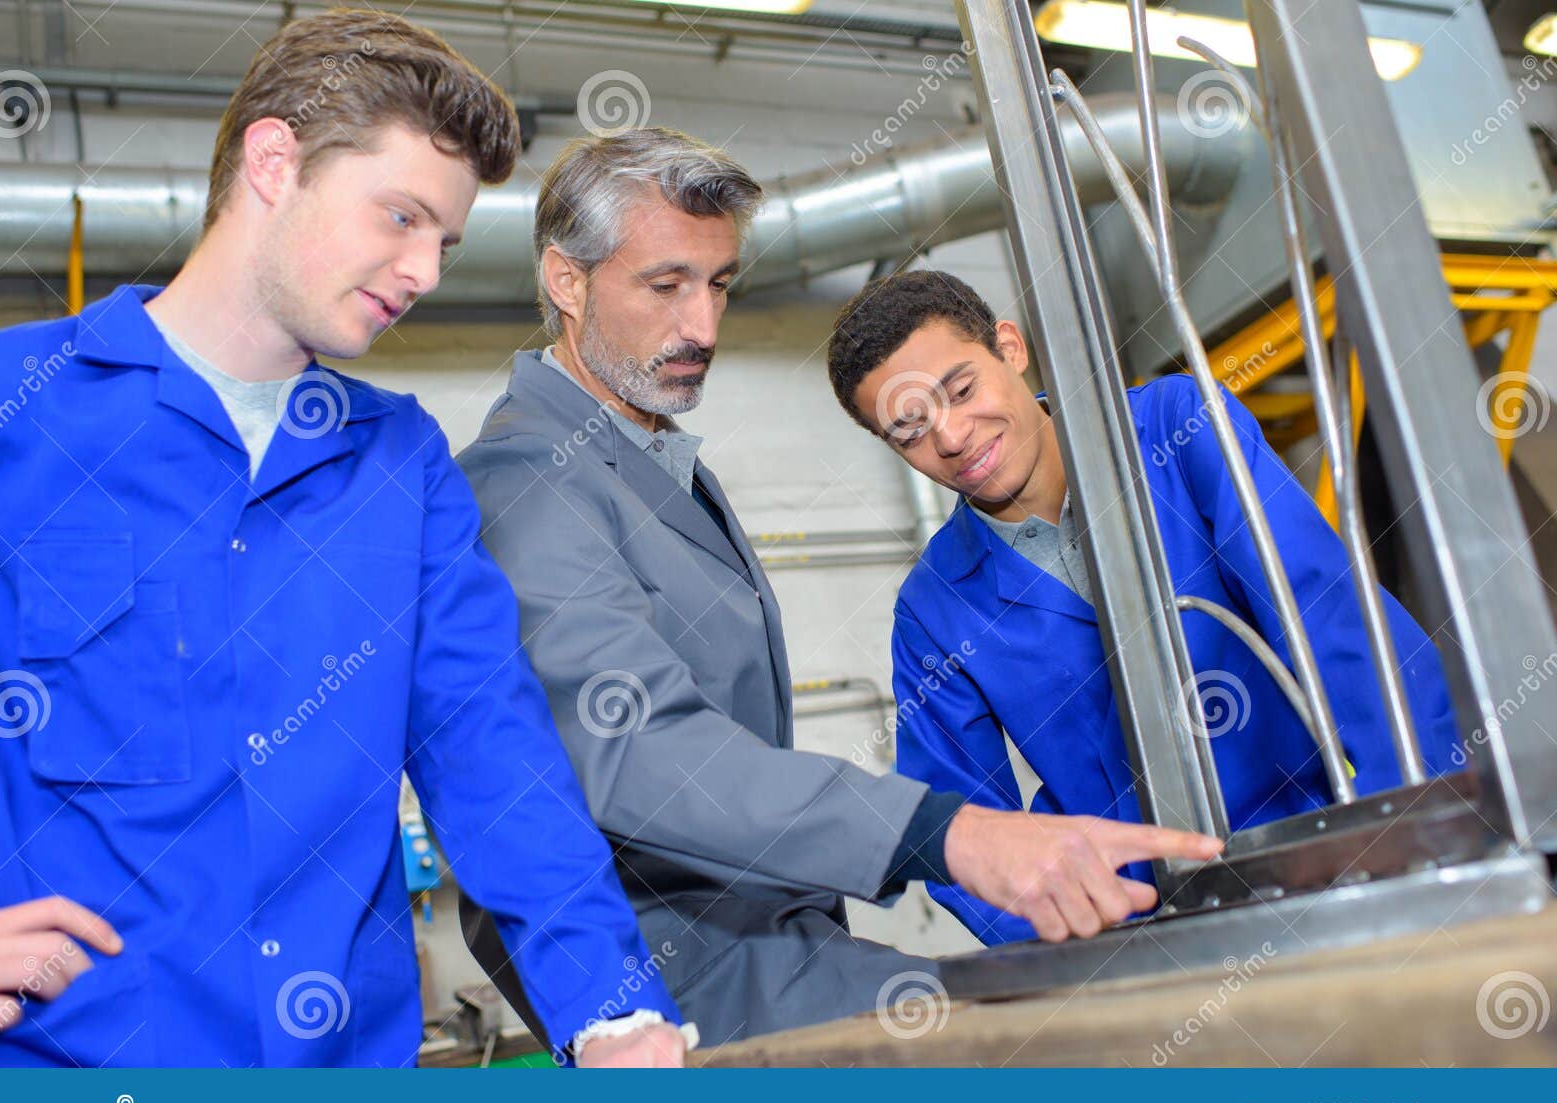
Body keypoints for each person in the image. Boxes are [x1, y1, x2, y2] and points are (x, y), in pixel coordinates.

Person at [0, 8, 686, 1068]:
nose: (425, 270)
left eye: (441, 239)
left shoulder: (400, 467)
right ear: (274, 161)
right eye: (398, 217)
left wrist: (611, 1008)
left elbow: (491, 754)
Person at [456, 128, 1222, 1045]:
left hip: (769, 935)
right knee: (1050, 1050)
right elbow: (640, 754)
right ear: (566, 281)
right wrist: (947, 834)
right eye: (666, 286)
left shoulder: (652, 462)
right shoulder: (529, 480)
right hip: (672, 969)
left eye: (721, 284)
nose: (702, 327)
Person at [825, 269, 1460, 946]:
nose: (951, 437)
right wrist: (1080, 949)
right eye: (910, 429)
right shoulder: (933, 607)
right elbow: (961, 831)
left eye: (961, 390)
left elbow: (1332, 615)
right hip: (1147, 924)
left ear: (1010, 348)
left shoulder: (1178, 432)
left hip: (1315, 847)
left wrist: (1422, 821)